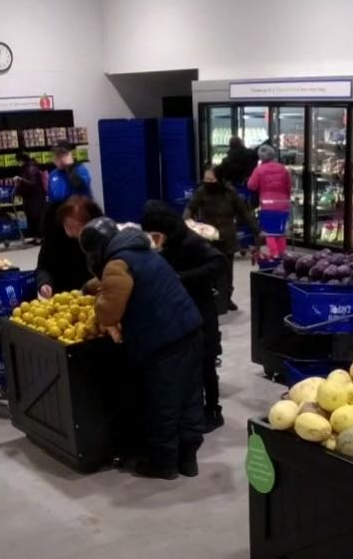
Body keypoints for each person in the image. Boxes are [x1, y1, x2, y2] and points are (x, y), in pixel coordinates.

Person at [80, 217, 205, 479]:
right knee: (189, 396)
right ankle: (188, 458)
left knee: (163, 402)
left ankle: (165, 463)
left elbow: (109, 313)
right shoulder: (140, 251)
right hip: (190, 330)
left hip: (163, 340)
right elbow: (126, 280)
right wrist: (94, 287)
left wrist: (98, 303)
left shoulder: (116, 264)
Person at [142, 200, 229, 430]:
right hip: (181, 311)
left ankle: (213, 410)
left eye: (156, 235)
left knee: (206, 361)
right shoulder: (167, 243)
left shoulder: (191, 241)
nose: (155, 241)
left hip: (202, 309)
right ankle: (193, 408)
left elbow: (219, 261)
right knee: (189, 364)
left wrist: (184, 277)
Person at [186, 165, 256, 312]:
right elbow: (190, 208)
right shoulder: (202, 192)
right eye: (205, 179)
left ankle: (227, 297)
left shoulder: (230, 193)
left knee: (227, 269)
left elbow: (244, 213)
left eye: (211, 179)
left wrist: (257, 230)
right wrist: (187, 221)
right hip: (208, 237)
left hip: (227, 236)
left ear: (220, 179)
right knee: (209, 271)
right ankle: (213, 299)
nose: (208, 182)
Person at [34, 195, 103, 298]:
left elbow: (108, 272)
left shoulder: (99, 240)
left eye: (77, 227)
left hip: (91, 296)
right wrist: (45, 283)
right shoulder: (53, 237)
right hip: (62, 298)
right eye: (68, 226)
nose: (72, 231)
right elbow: (43, 267)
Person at [247, 143, 295, 260]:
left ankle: (274, 254)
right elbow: (289, 186)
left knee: (269, 232)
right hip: (283, 204)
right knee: (280, 231)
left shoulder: (259, 170)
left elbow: (251, 186)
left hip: (268, 204)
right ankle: (282, 253)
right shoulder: (283, 168)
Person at [13, 151, 48, 242]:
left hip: (35, 198)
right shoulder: (26, 168)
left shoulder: (31, 168)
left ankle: (40, 238)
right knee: (31, 217)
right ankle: (35, 237)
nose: (17, 163)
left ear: (21, 160)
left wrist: (20, 180)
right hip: (29, 198)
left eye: (17, 161)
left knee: (36, 217)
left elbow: (33, 183)